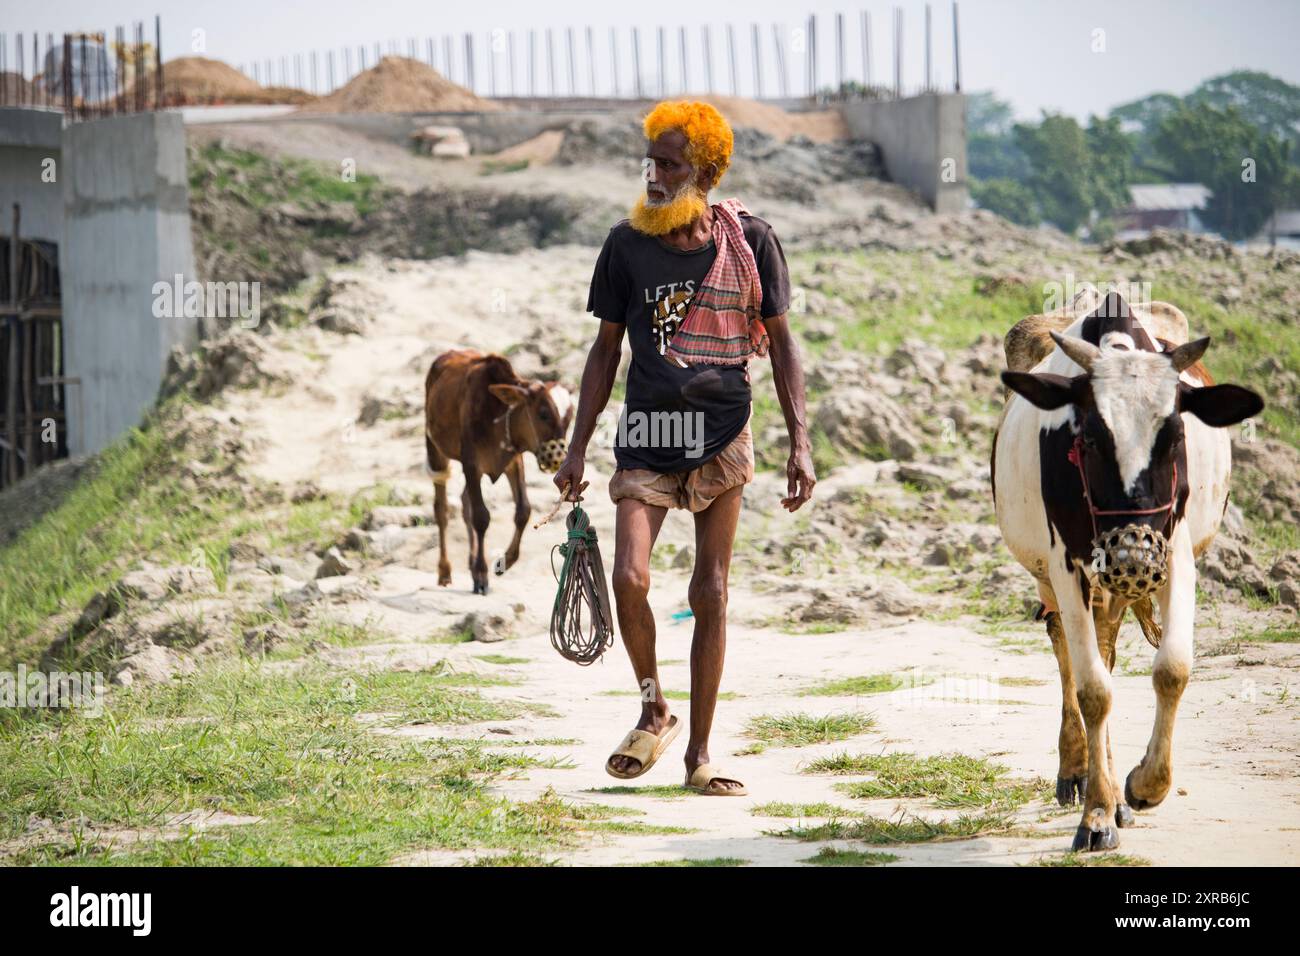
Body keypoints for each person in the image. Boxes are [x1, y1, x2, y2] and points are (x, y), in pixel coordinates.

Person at [553, 100, 815, 796]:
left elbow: (784, 344)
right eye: (651, 161)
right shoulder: (626, 245)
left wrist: (801, 442)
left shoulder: (752, 240)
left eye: (669, 164)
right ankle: (652, 705)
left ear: (704, 169)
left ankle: (700, 755)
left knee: (711, 591)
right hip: (645, 434)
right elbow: (605, 351)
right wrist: (576, 446)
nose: (655, 174)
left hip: (724, 436)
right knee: (630, 578)